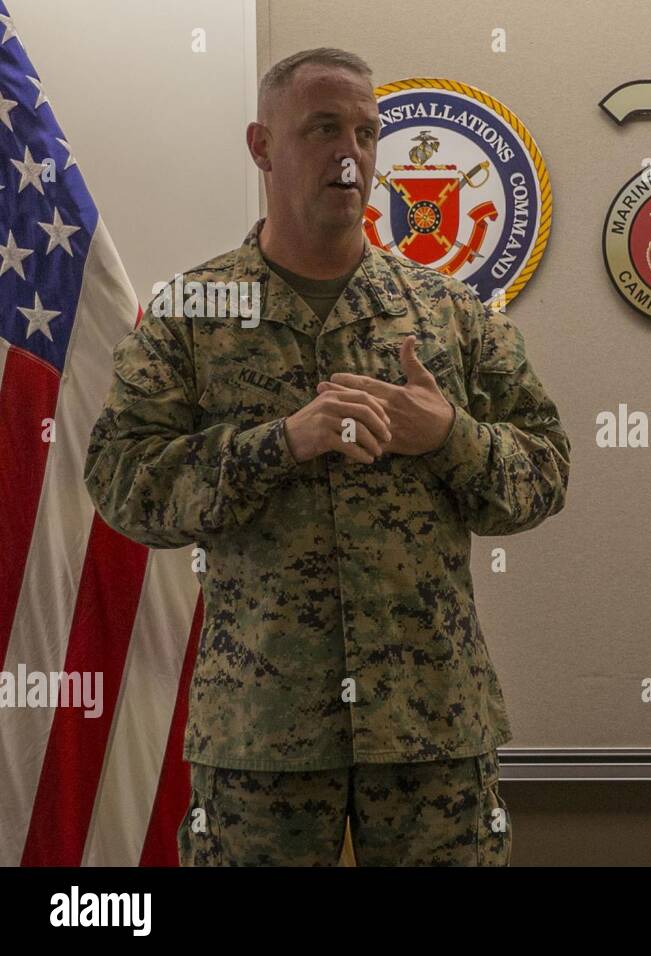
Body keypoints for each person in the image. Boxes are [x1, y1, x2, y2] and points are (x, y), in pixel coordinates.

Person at [82, 47, 570, 866]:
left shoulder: (448, 313)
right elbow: (123, 484)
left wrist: (449, 434)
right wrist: (281, 443)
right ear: (261, 145)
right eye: (322, 129)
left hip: (431, 730)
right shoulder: (192, 316)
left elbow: (546, 471)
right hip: (262, 733)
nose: (352, 153)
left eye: (366, 132)